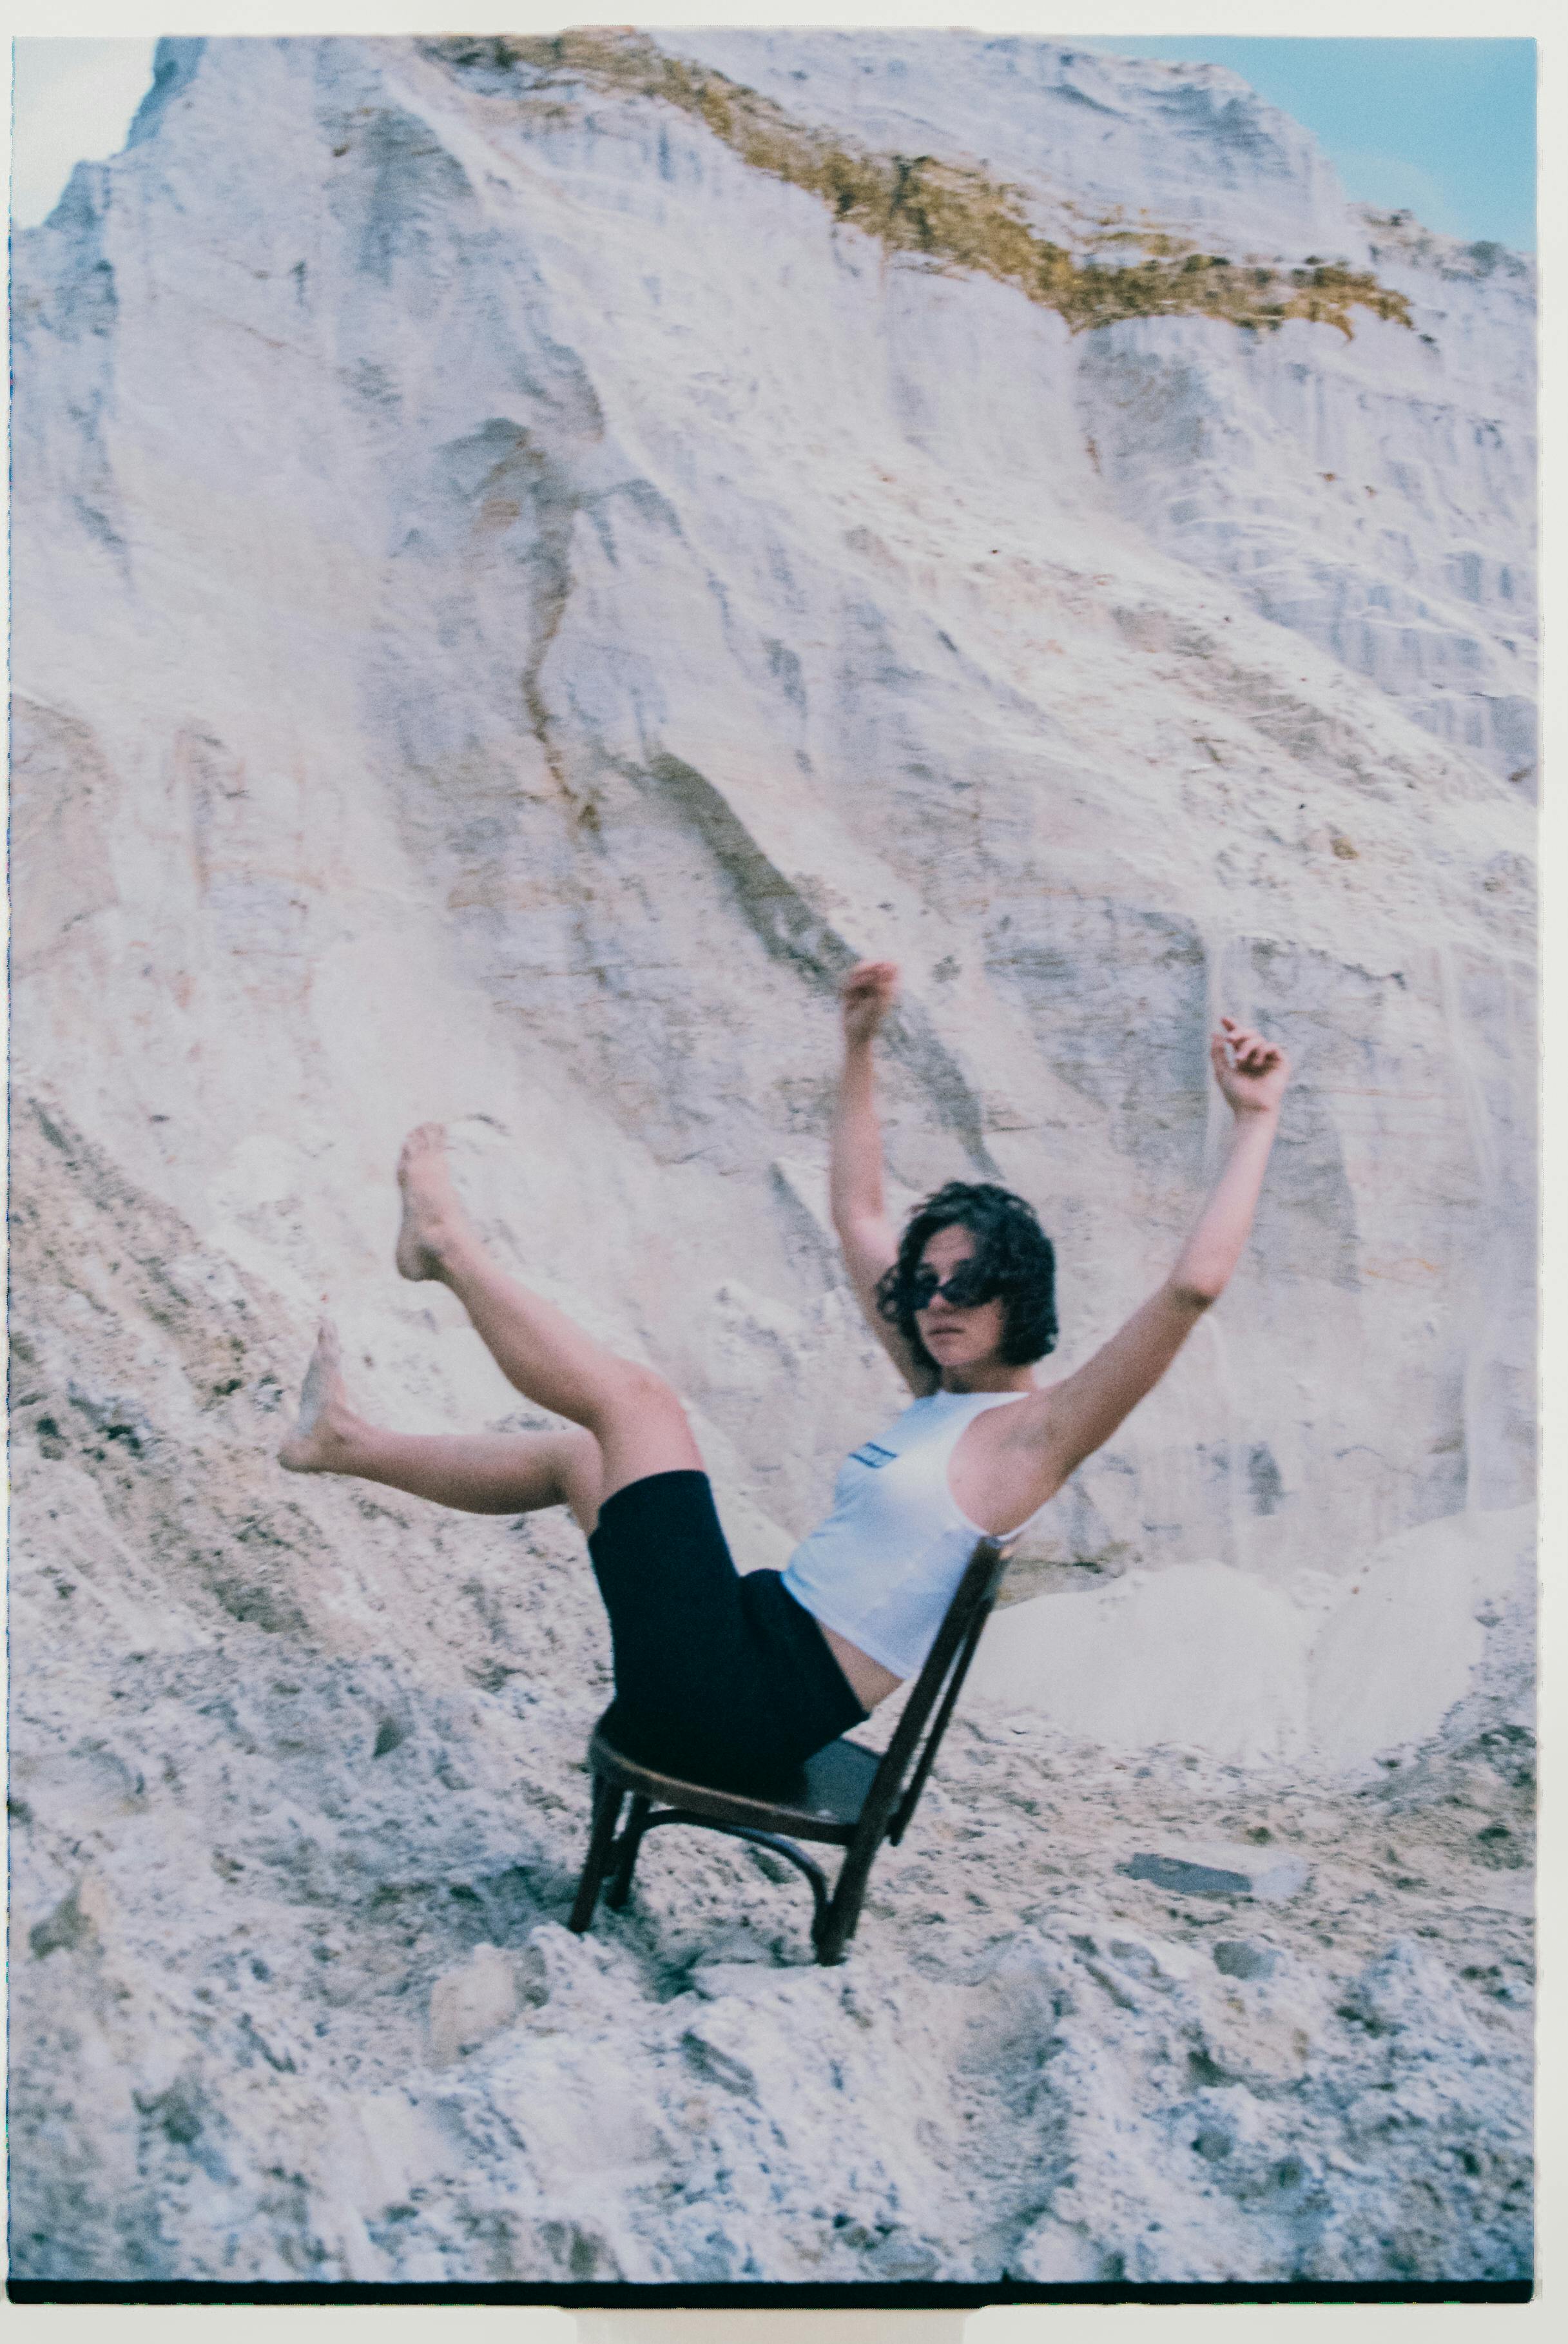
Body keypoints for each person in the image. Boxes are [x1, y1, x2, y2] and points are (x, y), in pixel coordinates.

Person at [280, 961, 1288, 1790]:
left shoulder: (1035, 1439)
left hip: (739, 1708)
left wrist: (1252, 1120)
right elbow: (857, 1212)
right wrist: (858, 1047)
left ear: (1021, 1296)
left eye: (967, 1283)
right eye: (926, 1280)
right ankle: (346, 1445)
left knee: (637, 1406)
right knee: (585, 1457)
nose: (936, 1299)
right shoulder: (939, 1393)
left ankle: (447, 1244)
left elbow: (1190, 1290)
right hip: (738, 1650)